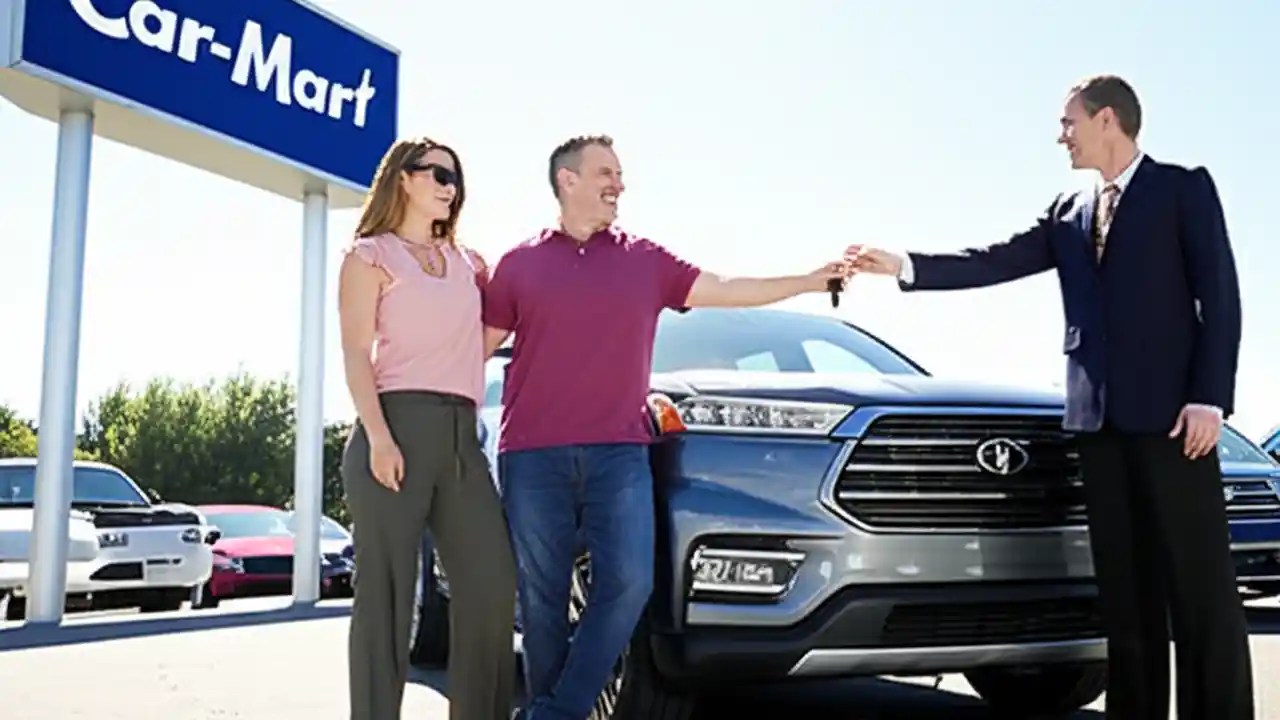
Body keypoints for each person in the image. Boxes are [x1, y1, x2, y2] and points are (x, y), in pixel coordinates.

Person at [849, 75, 1252, 720]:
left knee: (1201, 593)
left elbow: (1222, 298)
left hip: (1178, 423)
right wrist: (905, 264)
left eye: (1069, 122)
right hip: (1097, 425)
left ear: (1108, 121)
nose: (1059, 135)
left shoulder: (1182, 188)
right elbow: (995, 260)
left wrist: (1210, 397)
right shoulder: (1069, 210)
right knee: (1126, 597)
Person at [481, 134, 855, 720]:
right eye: (606, 172)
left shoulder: (644, 260)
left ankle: (554, 712)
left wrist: (807, 280)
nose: (619, 185)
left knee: (630, 583)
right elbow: (476, 347)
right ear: (567, 181)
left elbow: (728, 290)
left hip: (620, 453)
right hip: (533, 453)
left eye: (621, 174)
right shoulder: (518, 264)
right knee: (542, 600)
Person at [337, 137, 517, 720]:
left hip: (462, 436)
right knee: (385, 601)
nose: (449, 186)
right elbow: (356, 354)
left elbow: (483, 339)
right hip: (394, 429)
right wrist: (380, 438)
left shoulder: (472, 265)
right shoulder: (369, 256)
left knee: (491, 587)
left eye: (455, 178)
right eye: (437, 173)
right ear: (403, 179)